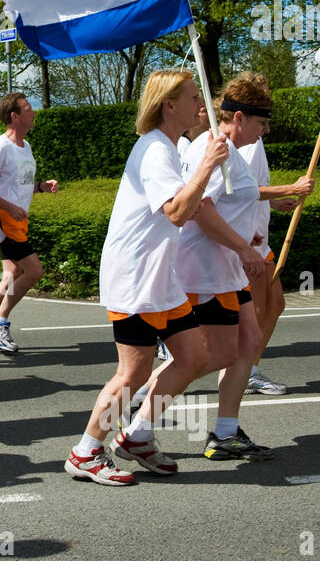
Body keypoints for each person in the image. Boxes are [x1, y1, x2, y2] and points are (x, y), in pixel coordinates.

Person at [65, 70, 227, 485]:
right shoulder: (155, 149)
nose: (201, 105)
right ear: (168, 105)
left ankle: (137, 435)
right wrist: (206, 165)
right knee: (132, 373)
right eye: (193, 97)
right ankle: (86, 452)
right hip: (135, 278)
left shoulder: (169, 147)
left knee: (193, 357)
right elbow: (177, 212)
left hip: (160, 279)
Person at [173, 74, 286, 460]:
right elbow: (199, 210)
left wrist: (260, 223)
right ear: (239, 117)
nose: (266, 129)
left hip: (229, 268)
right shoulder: (212, 150)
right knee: (203, 356)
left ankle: (225, 432)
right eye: (261, 122)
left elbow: (236, 199)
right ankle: (138, 411)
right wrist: (244, 248)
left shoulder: (232, 153)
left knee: (249, 343)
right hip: (205, 269)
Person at [0, 92, 58, 355]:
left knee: (11, 274)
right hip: (0, 216)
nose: (33, 113)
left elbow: (20, 185)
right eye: (28, 110)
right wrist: (8, 207)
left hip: (17, 218)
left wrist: (40, 186)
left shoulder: (25, 147)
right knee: (34, 271)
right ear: (14, 116)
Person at [239, 118, 315, 395]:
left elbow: (251, 191)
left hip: (260, 240)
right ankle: (242, 371)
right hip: (250, 241)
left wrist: (273, 202)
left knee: (275, 304)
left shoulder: (254, 142)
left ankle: (250, 369)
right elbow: (239, 192)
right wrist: (291, 189)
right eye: (263, 121)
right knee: (256, 311)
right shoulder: (245, 144)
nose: (268, 128)